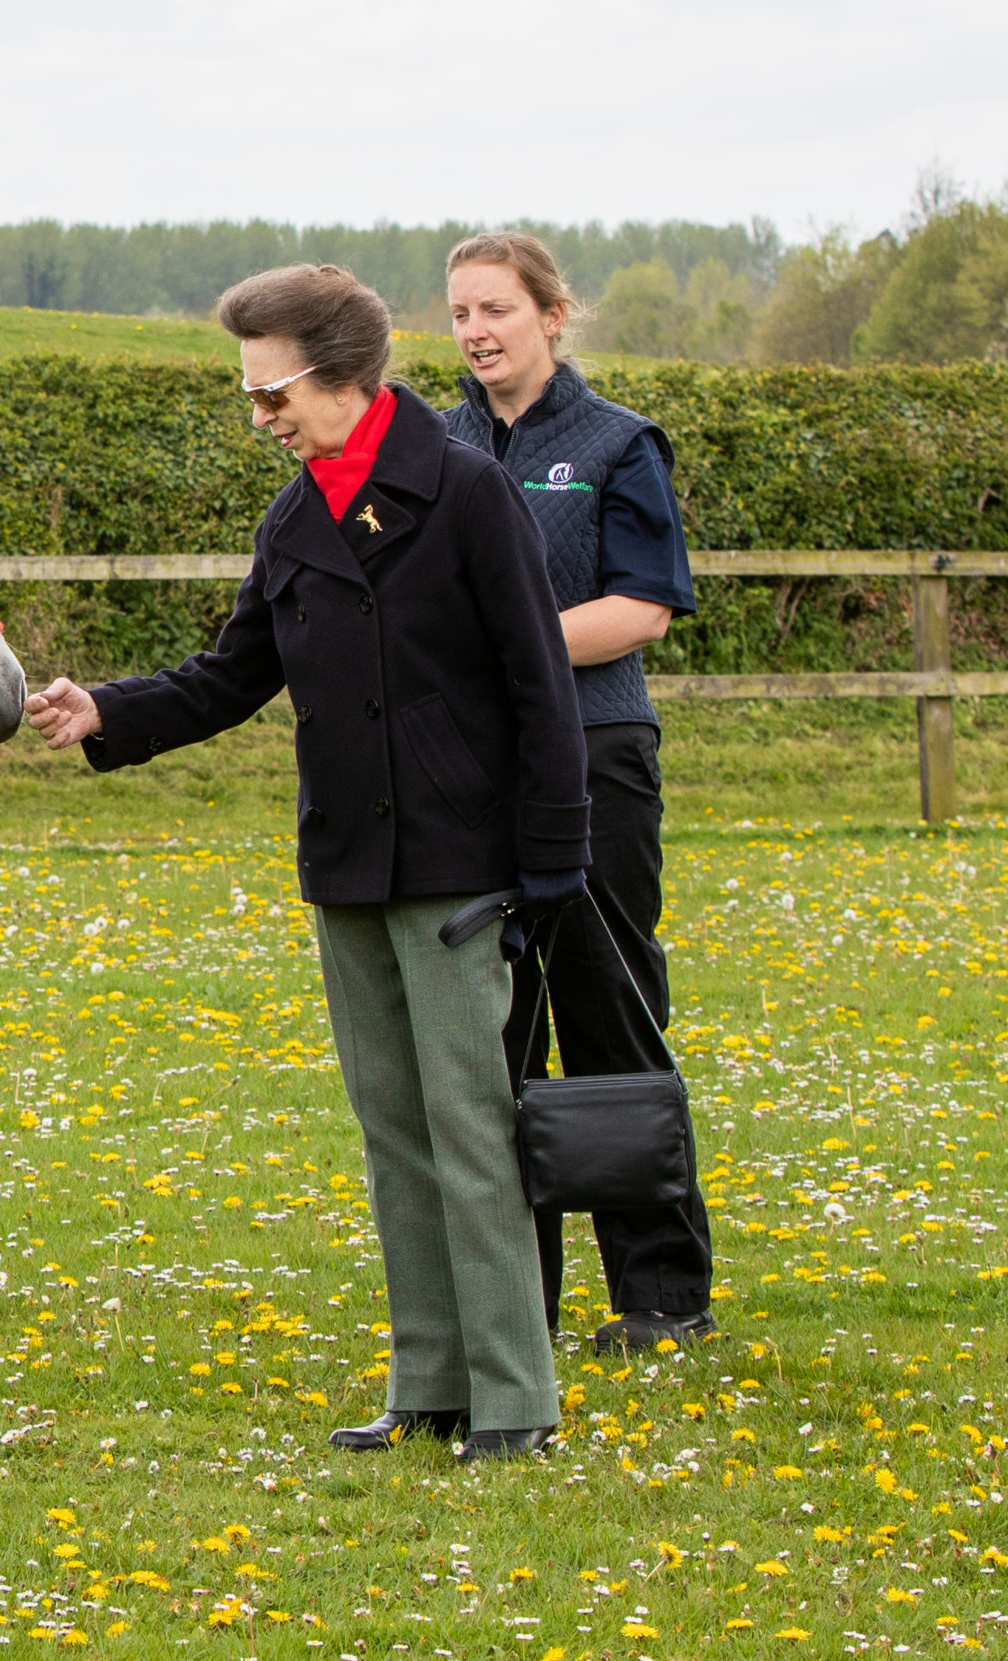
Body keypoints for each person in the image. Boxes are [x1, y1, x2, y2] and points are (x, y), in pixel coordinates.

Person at [26, 265, 589, 1461]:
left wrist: (550, 860)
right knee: (396, 1133)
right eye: (251, 397)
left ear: (339, 375)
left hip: (460, 868)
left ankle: (515, 1402)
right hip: (349, 873)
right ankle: (430, 1382)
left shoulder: (469, 492)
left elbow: (543, 688)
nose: (260, 417)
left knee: (472, 1129)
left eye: (269, 393)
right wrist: (103, 713)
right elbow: (232, 675)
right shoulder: (291, 522)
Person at [441, 234, 713, 1356]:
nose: (475, 331)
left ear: (553, 316)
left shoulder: (616, 445)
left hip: (595, 753)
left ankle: (659, 1297)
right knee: (489, 1034)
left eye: (495, 308)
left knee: (610, 1017)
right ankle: (516, 1304)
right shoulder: (435, 444)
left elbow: (642, 608)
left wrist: (508, 645)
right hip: (469, 767)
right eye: (457, 313)